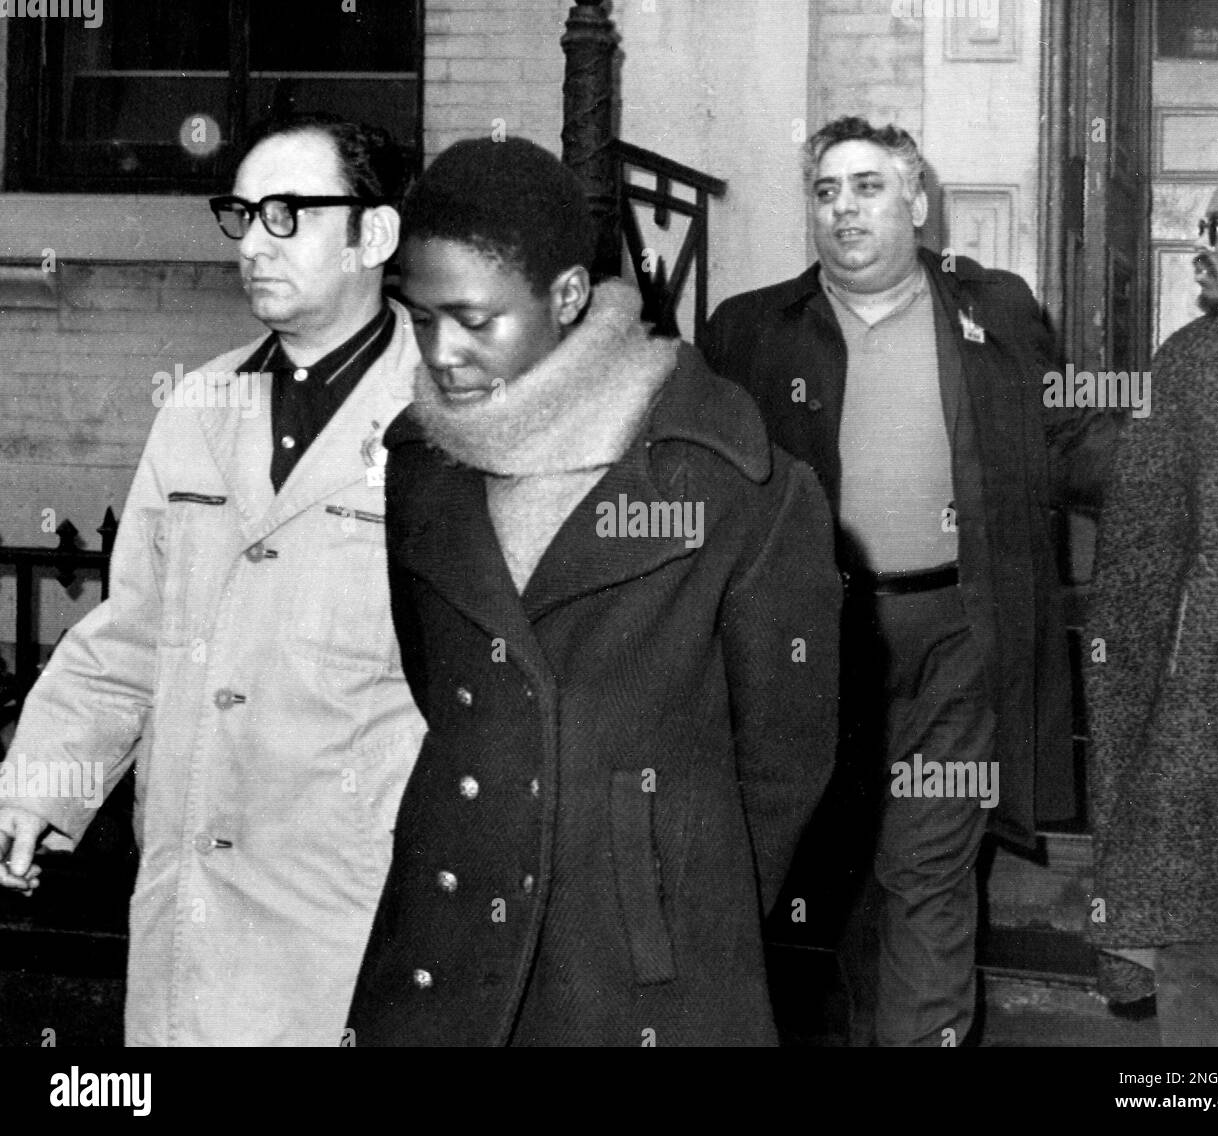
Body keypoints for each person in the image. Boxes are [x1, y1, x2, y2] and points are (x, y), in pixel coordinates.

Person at [345, 136, 841, 1046]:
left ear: (567, 296)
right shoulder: (422, 467)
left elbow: (787, 755)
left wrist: (665, 885)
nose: (442, 352)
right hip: (448, 935)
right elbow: (446, 690)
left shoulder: (733, 482)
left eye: (474, 319)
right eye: (420, 320)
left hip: (643, 972)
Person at [0, 112, 426, 1046]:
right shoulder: (200, 404)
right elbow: (132, 632)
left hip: (347, 920)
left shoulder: (441, 421)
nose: (255, 244)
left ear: (376, 235)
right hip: (191, 914)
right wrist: (37, 786)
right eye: (243, 214)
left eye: (289, 213)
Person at [699, 116, 1105, 1047]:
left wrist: (1183, 465)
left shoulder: (995, 310)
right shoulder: (751, 332)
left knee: (928, 867)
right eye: (827, 190)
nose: (845, 208)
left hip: (958, 634)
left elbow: (1064, 436)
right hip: (813, 648)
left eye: (869, 186)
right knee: (822, 872)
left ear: (917, 201)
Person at [1087, 141, 1218, 1046]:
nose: (1198, 244)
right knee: (1199, 963)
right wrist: (1135, 723)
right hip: (1208, 722)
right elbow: (1135, 567)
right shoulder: (1186, 370)